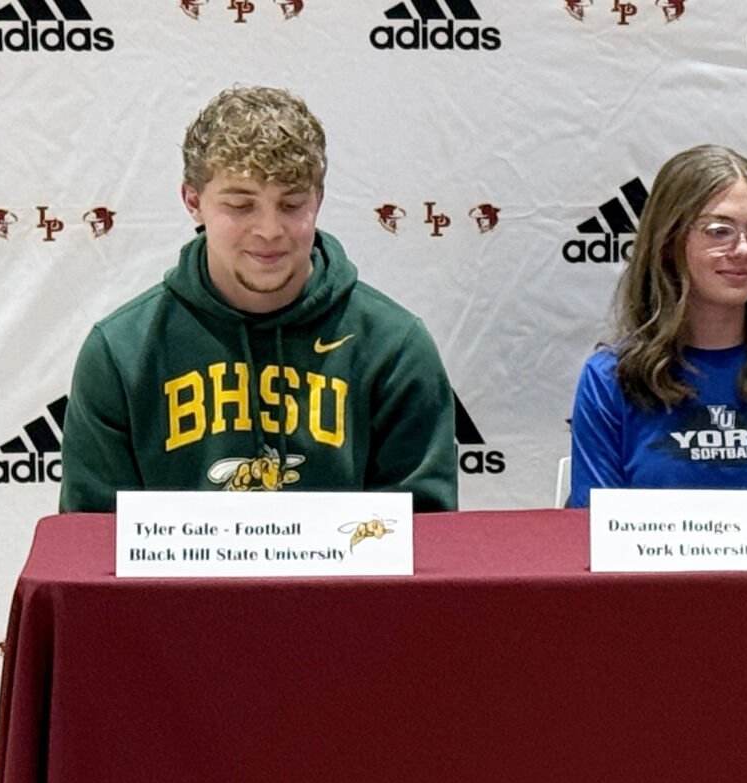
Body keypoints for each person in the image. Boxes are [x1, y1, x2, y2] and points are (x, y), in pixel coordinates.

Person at [59, 85, 457, 514]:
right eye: (240, 205)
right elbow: (91, 548)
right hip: (179, 584)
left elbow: (423, 544)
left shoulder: (393, 348)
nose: (269, 230)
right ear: (193, 202)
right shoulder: (122, 352)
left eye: (291, 204)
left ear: (318, 201)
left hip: (342, 584)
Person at [565, 144, 747, 504]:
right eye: (719, 231)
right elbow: (595, 536)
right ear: (669, 241)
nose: (743, 250)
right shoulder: (611, 379)